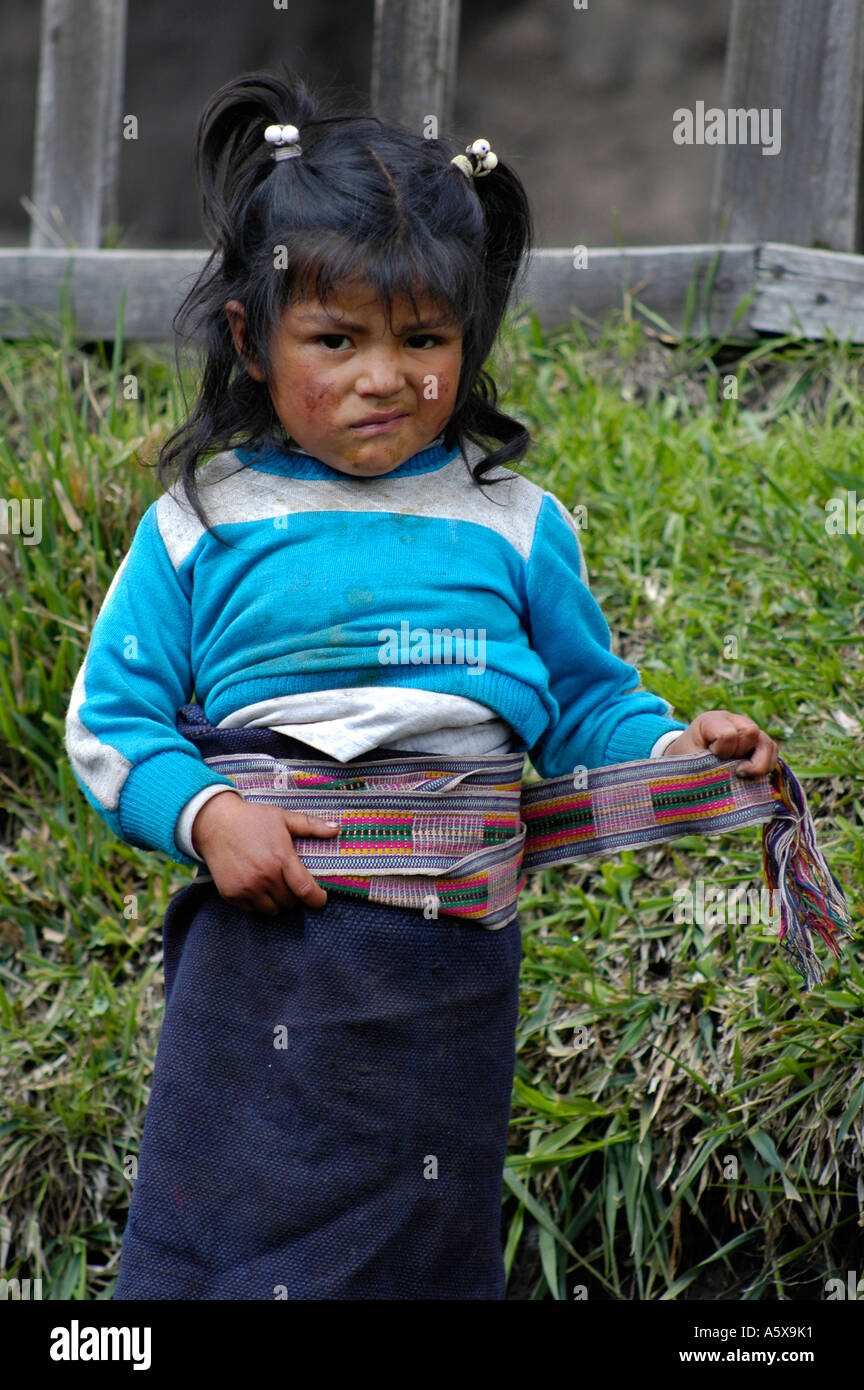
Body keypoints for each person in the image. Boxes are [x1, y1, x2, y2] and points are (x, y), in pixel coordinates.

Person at [64, 67, 777, 1300]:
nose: (383, 377)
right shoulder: (205, 522)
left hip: (444, 971)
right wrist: (208, 814)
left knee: (416, 1244)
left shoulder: (512, 526)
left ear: (469, 339)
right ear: (252, 337)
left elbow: (591, 702)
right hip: (266, 951)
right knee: (224, 1237)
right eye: (335, 339)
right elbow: (112, 722)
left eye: (425, 340)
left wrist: (677, 758)